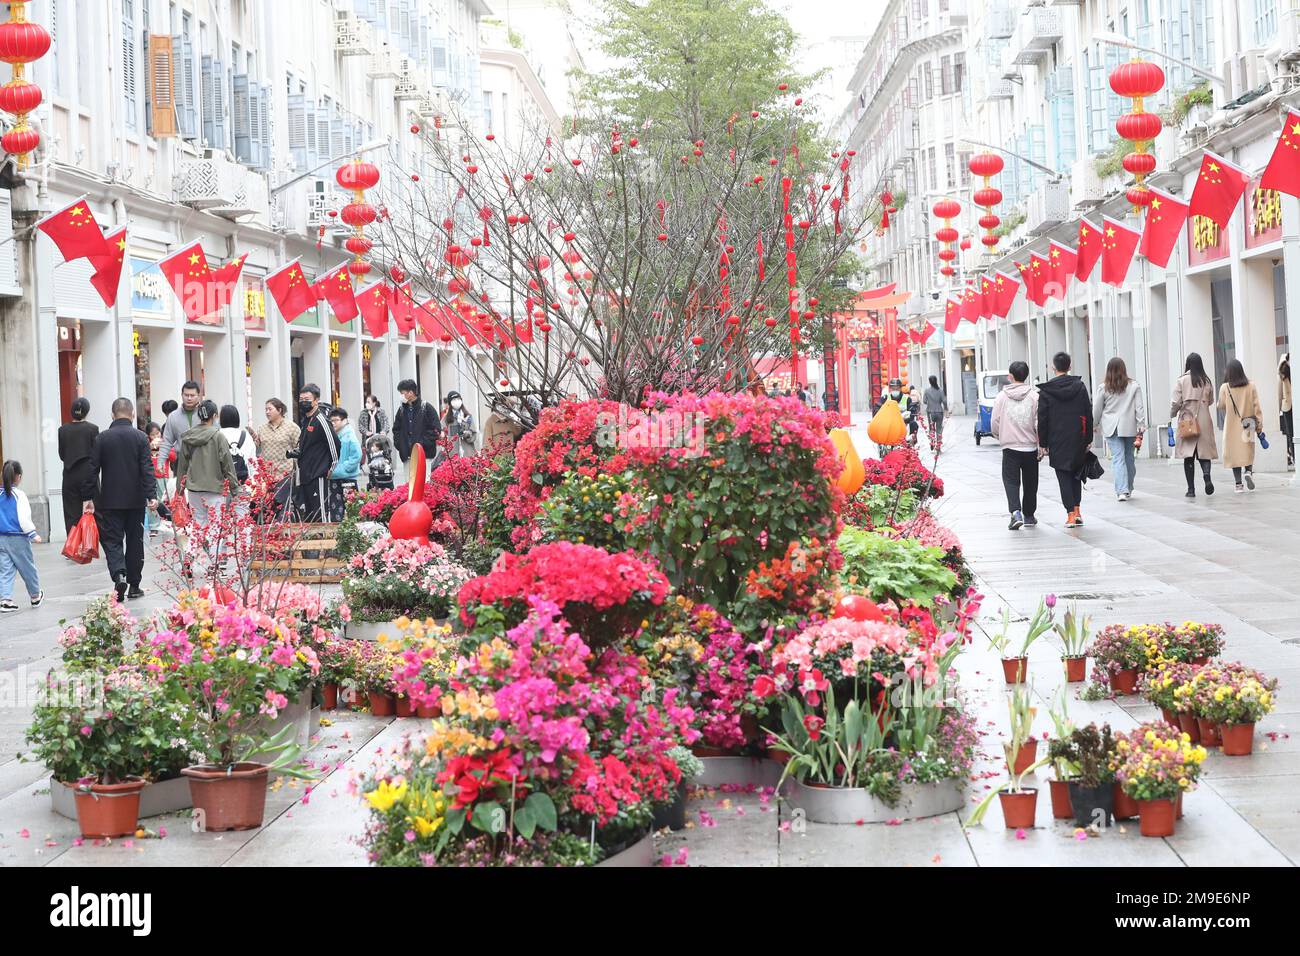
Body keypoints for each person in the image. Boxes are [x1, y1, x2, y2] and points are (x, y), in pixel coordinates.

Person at [83, 398, 156, 601]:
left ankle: (119, 574)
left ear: (112, 415)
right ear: (132, 414)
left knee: (112, 540)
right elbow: (147, 469)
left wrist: (88, 497)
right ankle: (134, 585)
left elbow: (92, 470)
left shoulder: (102, 438)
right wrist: (151, 495)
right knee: (135, 542)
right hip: (135, 500)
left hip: (110, 500)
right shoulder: (141, 438)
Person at [1037, 352, 1093, 528]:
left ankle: (1070, 514)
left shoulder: (1046, 391)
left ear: (1054, 368)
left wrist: (1043, 443)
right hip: (1078, 437)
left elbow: (1043, 419)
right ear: (1069, 366)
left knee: (1063, 476)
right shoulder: (1080, 386)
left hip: (1057, 439)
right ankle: (1077, 511)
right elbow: (1088, 413)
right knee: (1076, 474)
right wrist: (1089, 438)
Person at [990, 361, 1039, 531]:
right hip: (1030, 446)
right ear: (1026, 375)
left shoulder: (1001, 397)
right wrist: (1040, 442)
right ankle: (1029, 515)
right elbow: (1038, 421)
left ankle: (1015, 512)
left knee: (1011, 481)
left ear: (1010, 376)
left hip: (1010, 446)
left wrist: (999, 435)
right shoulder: (1034, 396)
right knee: (1031, 482)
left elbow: (995, 422)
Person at [176, 399, 238, 532]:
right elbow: (227, 464)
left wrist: (179, 489)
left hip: (193, 489)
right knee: (216, 528)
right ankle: (212, 553)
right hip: (214, 488)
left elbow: (182, 465)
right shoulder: (218, 437)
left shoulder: (189, 437)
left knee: (198, 527)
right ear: (215, 416)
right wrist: (235, 489)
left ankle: (193, 552)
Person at [1093, 357, 1147, 501]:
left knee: (1118, 457)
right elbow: (1139, 408)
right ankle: (1128, 487)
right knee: (1129, 457)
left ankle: (1122, 490)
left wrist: (1094, 424)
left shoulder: (1103, 387)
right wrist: (1141, 425)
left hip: (1111, 427)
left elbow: (1097, 409)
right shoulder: (1134, 386)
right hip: (1129, 426)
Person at [1171, 352, 1218, 498]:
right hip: (1204, 420)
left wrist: (1172, 414)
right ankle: (1206, 476)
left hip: (1188, 420)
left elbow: (1175, 402)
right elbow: (1210, 401)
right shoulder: (1207, 381)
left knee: (1188, 455)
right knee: (1204, 454)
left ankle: (1191, 490)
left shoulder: (1182, 381)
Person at [292, 384, 339, 522]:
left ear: (316, 400)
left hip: (318, 473)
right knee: (309, 514)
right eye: (301, 399)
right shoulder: (306, 420)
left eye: (307, 399)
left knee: (320, 512)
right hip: (306, 474)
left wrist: (331, 467)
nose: (303, 403)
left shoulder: (321, 420)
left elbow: (335, 444)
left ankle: (325, 539)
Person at [1218, 359, 1266, 493]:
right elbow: (1257, 407)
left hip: (1232, 425)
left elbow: (1221, 405)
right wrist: (1259, 426)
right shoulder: (1251, 386)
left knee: (1235, 454)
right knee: (1248, 451)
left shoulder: (1225, 387)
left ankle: (1238, 484)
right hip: (1248, 424)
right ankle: (1248, 472)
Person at [0, 460, 42, 612]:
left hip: (1, 539)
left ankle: (5, 599)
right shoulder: (20, 495)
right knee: (27, 568)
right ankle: (35, 596)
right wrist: (33, 534)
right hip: (19, 538)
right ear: (18, 477)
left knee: (5, 570)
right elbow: (24, 518)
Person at [249, 398, 300, 515]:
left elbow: (299, 446)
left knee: (281, 505)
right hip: (266, 475)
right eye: (266, 409)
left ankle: (282, 529)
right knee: (265, 507)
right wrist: (255, 439)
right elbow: (259, 447)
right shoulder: (262, 428)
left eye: (270, 409)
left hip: (284, 474)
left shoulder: (292, 427)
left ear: (279, 410)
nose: (267, 412)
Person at [57, 397, 99, 534]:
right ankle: (91, 544)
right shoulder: (93, 429)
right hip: (88, 474)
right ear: (87, 411)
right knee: (94, 511)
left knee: (71, 513)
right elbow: (95, 454)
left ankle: (74, 547)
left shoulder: (62, 430)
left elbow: (62, 454)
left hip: (69, 475)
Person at [392, 379, 441, 467]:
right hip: (407, 456)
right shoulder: (401, 410)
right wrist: (400, 445)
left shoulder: (426, 408)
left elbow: (436, 429)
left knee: (424, 480)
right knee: (409, 480)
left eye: (402, 393)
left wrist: (422, 443)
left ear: (410, 393)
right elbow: (396, 429)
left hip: (425, 455)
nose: (401, 396)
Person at [327, 406, 362, 521]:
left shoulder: (349, 436)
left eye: (336, 420)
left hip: (348, 478)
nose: (333, 423)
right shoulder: (334, 435)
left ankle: (353, 534)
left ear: (344, 420)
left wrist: (344, 468)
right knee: (336, 509)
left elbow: (357, 455)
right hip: (335, 476)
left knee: (351, 509)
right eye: (331, 420)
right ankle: (336, 534)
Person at [159, 381, 202, 467]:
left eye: (192, 395)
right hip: (181, 462)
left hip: (203, 461)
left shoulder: (205, 414)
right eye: (186, 395)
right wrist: (161, 461)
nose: (189, 398)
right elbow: (167, 441)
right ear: (181, 395)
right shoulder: (173, 416)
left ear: (198, 396)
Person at [219, 404, 257, 491]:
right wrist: (254, 483)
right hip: (244, 485)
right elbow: (253, 462)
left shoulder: (216, 435)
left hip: (222, 487)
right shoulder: (246, 436)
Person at [145, 423, 167, 537]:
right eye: (152, 434)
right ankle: (154, 526)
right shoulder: (147, 445)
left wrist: (162, 447)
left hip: (163, 476)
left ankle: (168, 520)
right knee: (152, 501)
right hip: (151, 477)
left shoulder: (165, 443)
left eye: (157, 433)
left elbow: (173, 456)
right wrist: (150, 447)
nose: (155, 436)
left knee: (164, 500)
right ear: (149, 436)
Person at [444, 390, 478, 457]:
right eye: (454, 399)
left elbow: (474, 434)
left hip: (468, 453)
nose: (457, 401)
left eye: (458, 399)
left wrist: (467, 434)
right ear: (450, 403)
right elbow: (442, 434)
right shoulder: (446, 419)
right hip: (453, 455)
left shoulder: (467, 416)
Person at [1279, 353, 1293, 468]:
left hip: (1295, 406)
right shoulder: (1282, 373)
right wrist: (1278, 408)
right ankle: (1293, 456)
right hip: (1287, 407)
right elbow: (1279, 392)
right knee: (1290, 432)